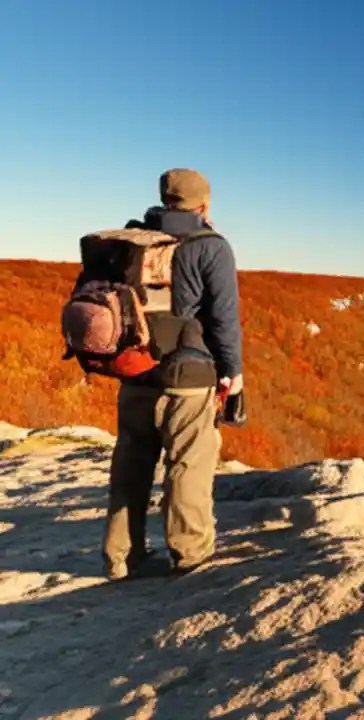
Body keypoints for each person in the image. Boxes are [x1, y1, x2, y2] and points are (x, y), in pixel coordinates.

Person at [102, 168, 243, 580]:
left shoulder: (132, 241)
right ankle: (189, 556)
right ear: (205, 204)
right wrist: (232, 371)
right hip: (188, 378)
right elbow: (224, 318)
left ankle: (119, 559)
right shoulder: (211, 246)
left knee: (131, 463)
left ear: (164, 200)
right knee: (187, 466)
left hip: (135, 373)